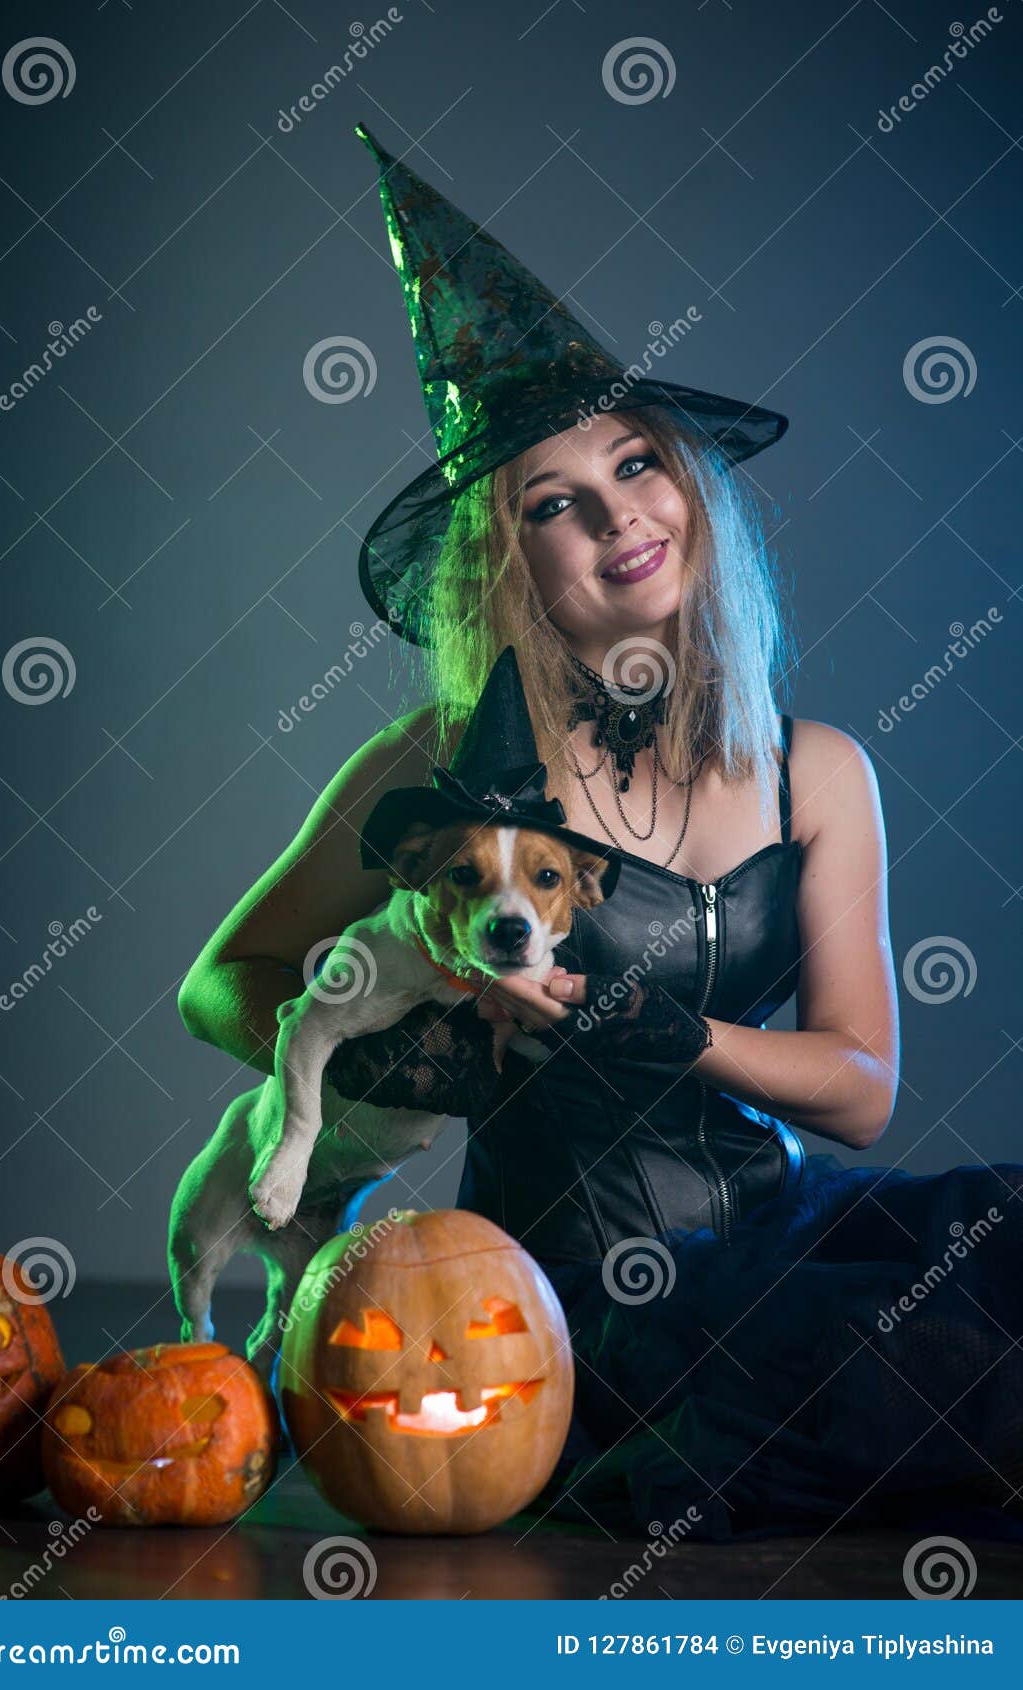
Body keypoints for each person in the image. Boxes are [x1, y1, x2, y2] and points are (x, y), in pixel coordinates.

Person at [178, 125, 1022, 1545]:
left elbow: (862, 1087)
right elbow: (219, 983)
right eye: (554, 504)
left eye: (637, 462)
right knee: (867, 1381)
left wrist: (680, 1038)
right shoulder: (451, 767)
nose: (620, 514)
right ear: (514, 564)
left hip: (786, 1230)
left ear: (689, 481)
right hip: (563, 1300)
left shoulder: (816, 769)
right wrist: (413, 1039)